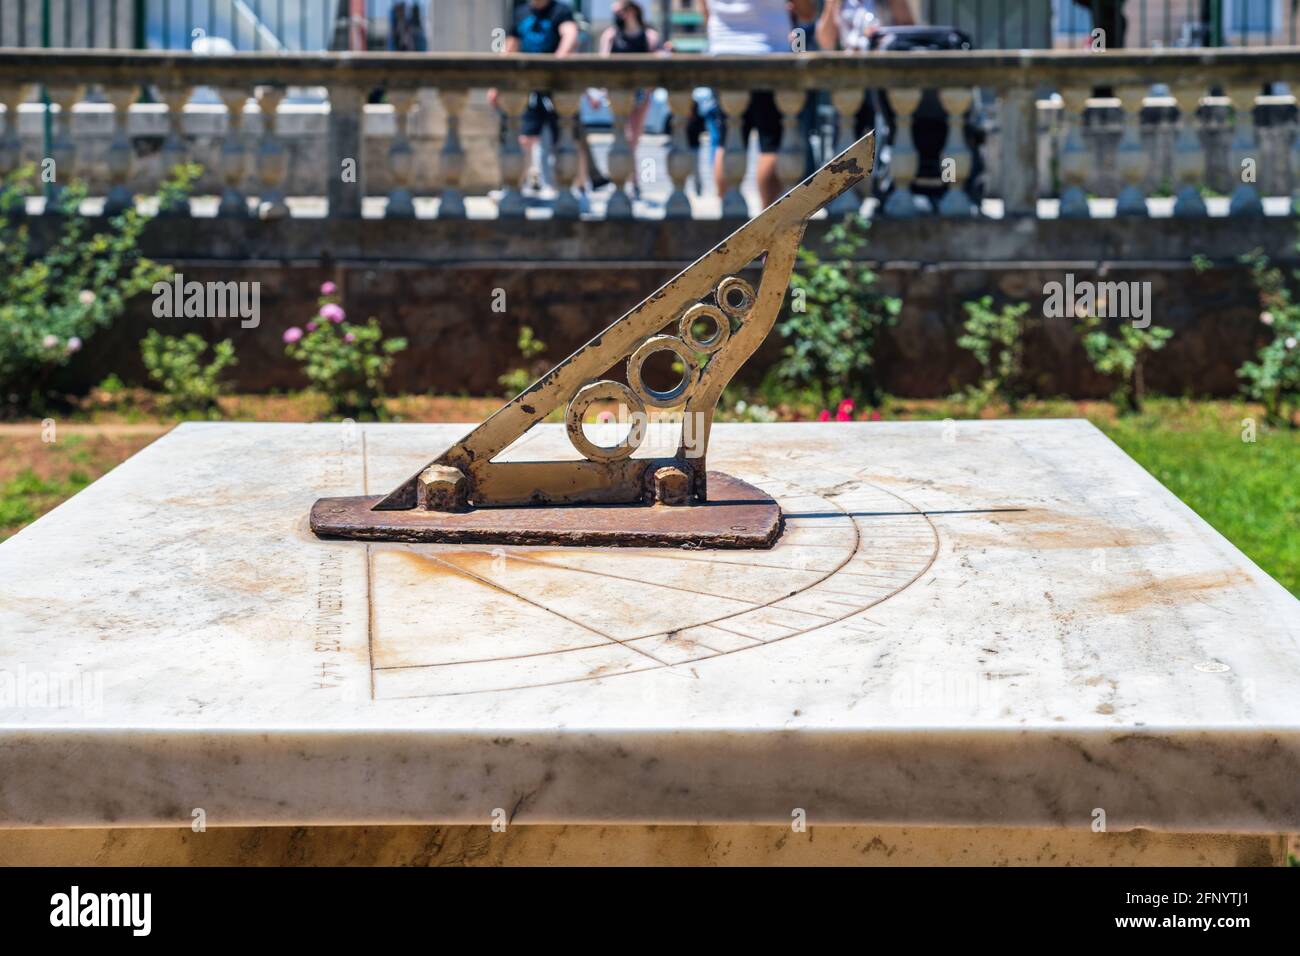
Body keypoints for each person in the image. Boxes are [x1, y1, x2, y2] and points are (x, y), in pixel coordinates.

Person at [701, 0, 794, 209]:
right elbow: (806, 11)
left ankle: (728, 216)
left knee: (728, 138)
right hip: (768, 52)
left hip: (723, 52)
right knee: (771, 142)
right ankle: (768, 221)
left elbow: (704, 9)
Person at [489, 0, 581, 192]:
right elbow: (509, 47)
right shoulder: (520, 12)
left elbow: (570, 36)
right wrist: (496, 83)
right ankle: (514, 188)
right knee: (523, 138)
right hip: (528, 87)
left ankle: (578, 189)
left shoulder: (561, 10)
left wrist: (556, 64)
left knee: (568, 137)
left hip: (557, 86)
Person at [598, 1, 666, 197]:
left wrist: (648, 89)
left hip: (641, 93)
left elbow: (657, 64)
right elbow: (602, 63)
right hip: (617, 92)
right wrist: (605, 90)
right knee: (622, 136)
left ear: (632, 11)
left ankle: (630, 179)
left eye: (621, 11)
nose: (618, 16)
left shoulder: (650, 36)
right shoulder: (610, 35)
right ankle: (629, 179)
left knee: (633, 138)